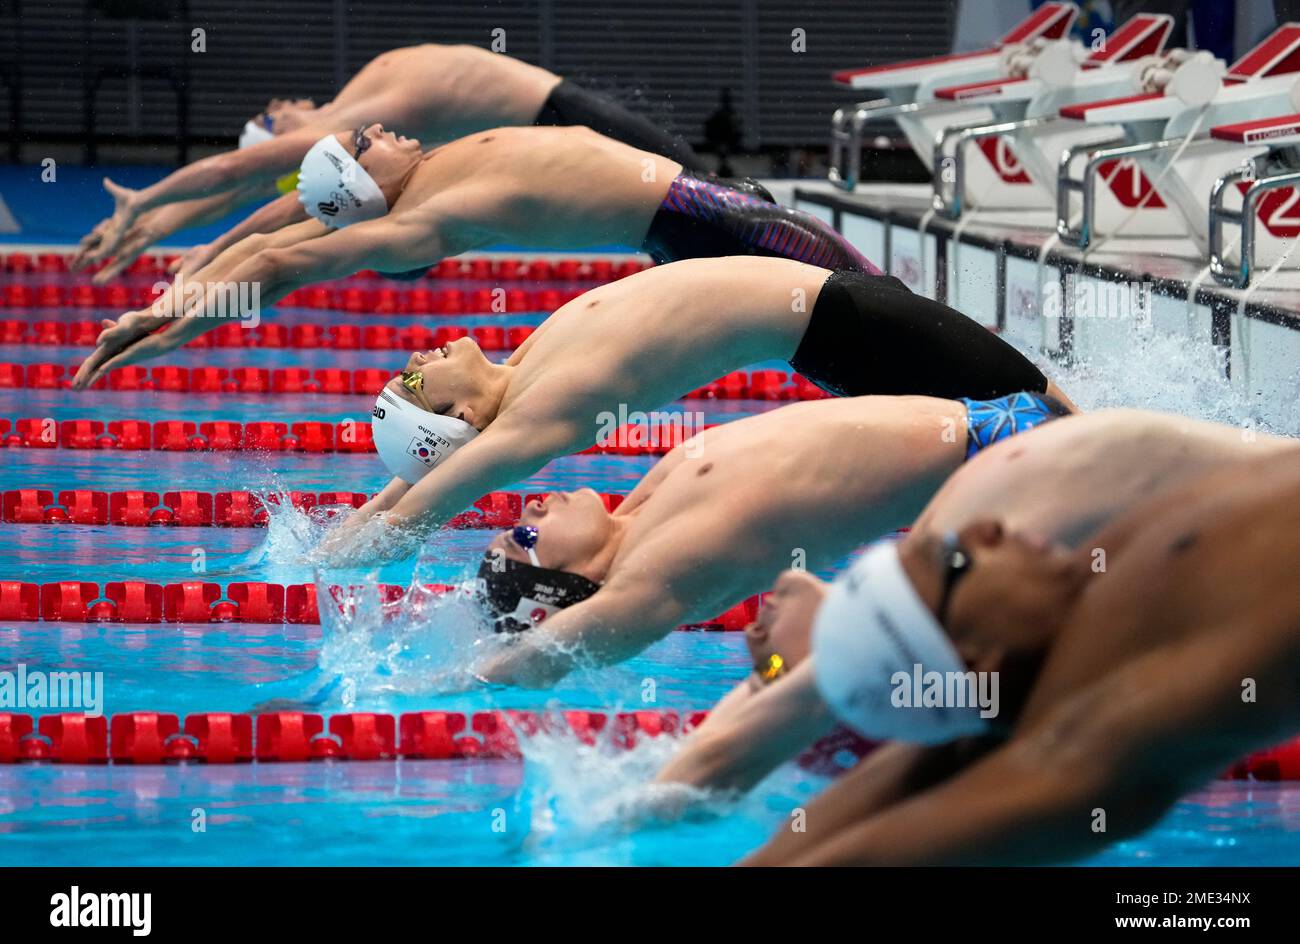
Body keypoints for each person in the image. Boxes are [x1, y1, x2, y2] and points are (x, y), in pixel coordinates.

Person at [655, 409, 1297, 794]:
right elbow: (750, 736)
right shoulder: (948, 568)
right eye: (771, 669)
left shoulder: (940, 569)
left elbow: (750, 725)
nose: (751, 642)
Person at [302, 257, 1064, 566]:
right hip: (854, 329)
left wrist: (337, 531)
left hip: (840, 312)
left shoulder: (524, 366)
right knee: (1053, 427)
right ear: (462, 414)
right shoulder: (547, 407)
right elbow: (434, 496)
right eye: (414, 383)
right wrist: (330, 567)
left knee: (1034, 441)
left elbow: (415, 480)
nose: (415, 360)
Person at [742, 444, 1300, 865]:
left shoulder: (1080, 586)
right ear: (977, 656)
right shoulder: (1103, 731)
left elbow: (923, 759)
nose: (984, 527)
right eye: (957, 559)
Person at [70, 125, 882, 388]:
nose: (382, 131)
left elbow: (279, 227)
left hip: (695, 215)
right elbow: (281, 265)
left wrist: (187, 272)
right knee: (872, 310)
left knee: (858, 326)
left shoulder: (419, 172)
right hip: (711, 220)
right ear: (365, 182)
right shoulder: (426, 215)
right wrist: (164, 320)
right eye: (366, 143)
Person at [468, 389, 1072, 686]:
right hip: (1017, 465)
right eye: (525, 532)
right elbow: (547, 652)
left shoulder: (641, 509)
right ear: (562, 589)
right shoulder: (661, 568)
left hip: (1000, 418)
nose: (532, 504)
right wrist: (453, 685)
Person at [71, 43, 703, 280]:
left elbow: (242, 186)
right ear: (277, 137)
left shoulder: (357, 113)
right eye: (266, 122)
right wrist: (156, 213)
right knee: (688, 192)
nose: (275, 106)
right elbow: (234, 176)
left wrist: (155, 221)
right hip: (556, 123)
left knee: (690, 194)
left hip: (554, 122)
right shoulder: (335, 132)